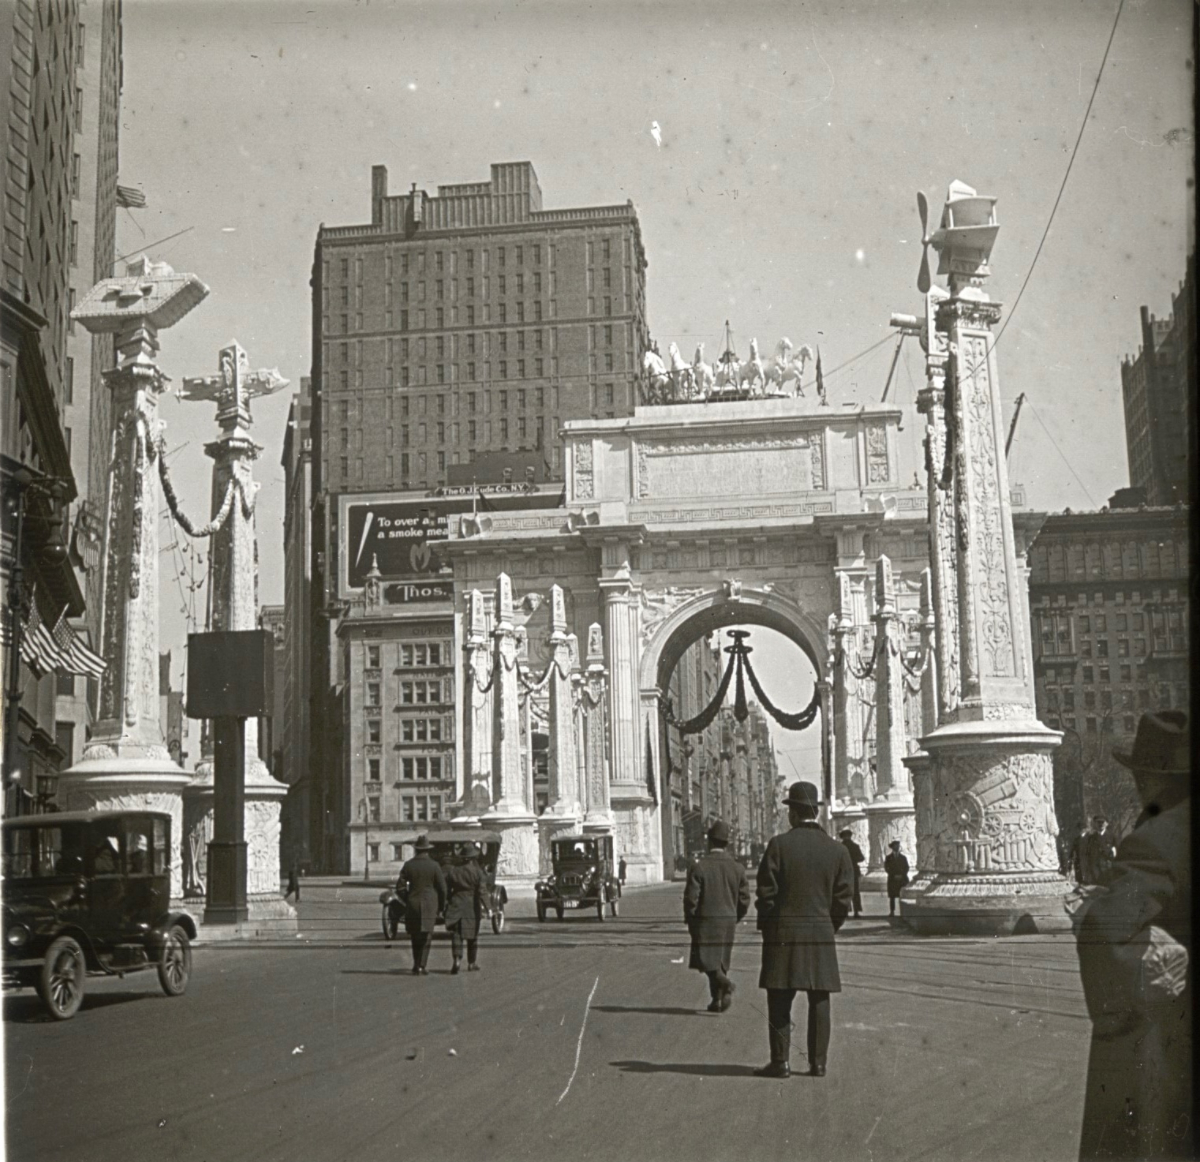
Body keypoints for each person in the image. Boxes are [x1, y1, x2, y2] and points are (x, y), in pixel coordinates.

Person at [1075, 711, 1192, 1160]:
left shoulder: (1159, 837)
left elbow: (1108, 932)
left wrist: (1092, 910)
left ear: (1151, 778)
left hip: (1167, 1042)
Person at [753, 781, 854, 1079]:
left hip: (783, 935)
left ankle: (780, 1062)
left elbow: (765, 895)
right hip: (821, 934)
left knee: (779, 999)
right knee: (819, 999)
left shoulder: (778, 846)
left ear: (793, 814)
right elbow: (843, 899)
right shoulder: (837, 851)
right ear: (817, 813)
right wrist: (828, 926)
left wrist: (772, 928)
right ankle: (818, 1063)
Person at [683, 820, 751, 1013]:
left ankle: (725, 985)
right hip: (728, 920)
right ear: (726, 844)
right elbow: (745, 898)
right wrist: (735, 915)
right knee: (721, 959)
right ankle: (717, 1000)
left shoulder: (700, 867)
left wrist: (691, 918)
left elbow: (691, 898)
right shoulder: (737, 868)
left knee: (707, 960)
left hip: (705, 920)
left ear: (710, 842)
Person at [399, 836, 446, 975]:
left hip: (413, 904)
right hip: (429, 904)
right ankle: (422, 965)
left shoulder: (408, 865)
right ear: (428, 850)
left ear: (416, 850)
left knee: (415, 935)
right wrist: (441, 907)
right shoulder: (435, 866)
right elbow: (442, 888)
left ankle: (415, 964)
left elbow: (400, 887)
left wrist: (408, 899)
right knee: (426, 935)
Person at [443, 843, 488, 974]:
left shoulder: (453, 870)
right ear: (473, 858)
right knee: (472, 935)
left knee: (457, 934)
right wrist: (488, 907)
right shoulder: (477, 872)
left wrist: (447, 902)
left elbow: (447, 889)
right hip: (471, 906)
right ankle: (471, 963)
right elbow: (482, 891)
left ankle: (457, 959)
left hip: (456, 904)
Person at [1077, 816, 1116, 886]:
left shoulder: (1111, 836)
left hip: (1107, 868)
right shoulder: (1091, 838)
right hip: (1095, 869)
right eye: (1098, 822)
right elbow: (1087, 853)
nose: (1100, 824)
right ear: (1095, 823)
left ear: (1106, 824)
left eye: (1102, 822)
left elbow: (1116, 851)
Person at [838, 829, 865, 917]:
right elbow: (861, 858)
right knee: (855, 891)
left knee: (844, 891)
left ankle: (845, 911)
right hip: (854, 870)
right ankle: (856, 911)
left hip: (843, 871)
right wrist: (854, 859)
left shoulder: (840, 846)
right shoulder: (855, 846)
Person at [884, 841, 910, 917]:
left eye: (898, 846)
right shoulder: (888, 857)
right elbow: (887, 868)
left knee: (902, 895)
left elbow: (906, 867)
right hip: (893, 878)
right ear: (893, 847)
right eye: (896, 846)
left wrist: (902, 875)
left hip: (902, 878)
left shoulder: (903, 857)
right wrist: (893, 875)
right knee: (892, 896)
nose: (898, 847)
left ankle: (903, 911)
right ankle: (892, 911)